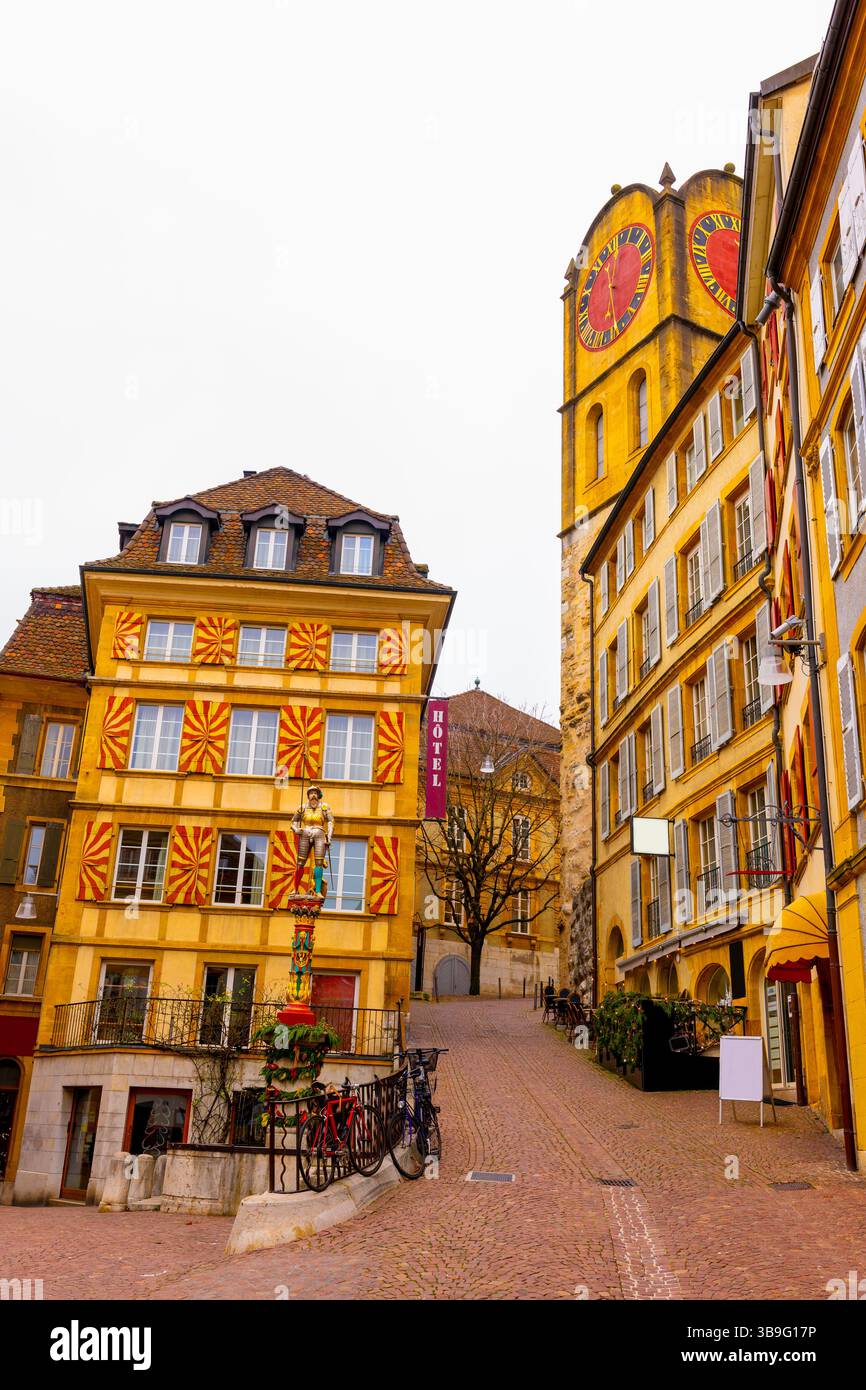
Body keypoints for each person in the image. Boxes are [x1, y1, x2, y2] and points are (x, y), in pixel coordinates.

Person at [291, 786, 334, 896]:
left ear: (318, 795)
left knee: (319, 863)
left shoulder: (324, 807)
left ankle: (318, 891)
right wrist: (296, 830)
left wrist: (329, 836)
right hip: (305, 833)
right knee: (300, 863)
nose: (313, 795)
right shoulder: (302, 807)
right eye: (311, 793)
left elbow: (330, 822)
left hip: (319, 833)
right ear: (308, 796)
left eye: (315, 793)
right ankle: (295, 889)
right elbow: (294, 821)